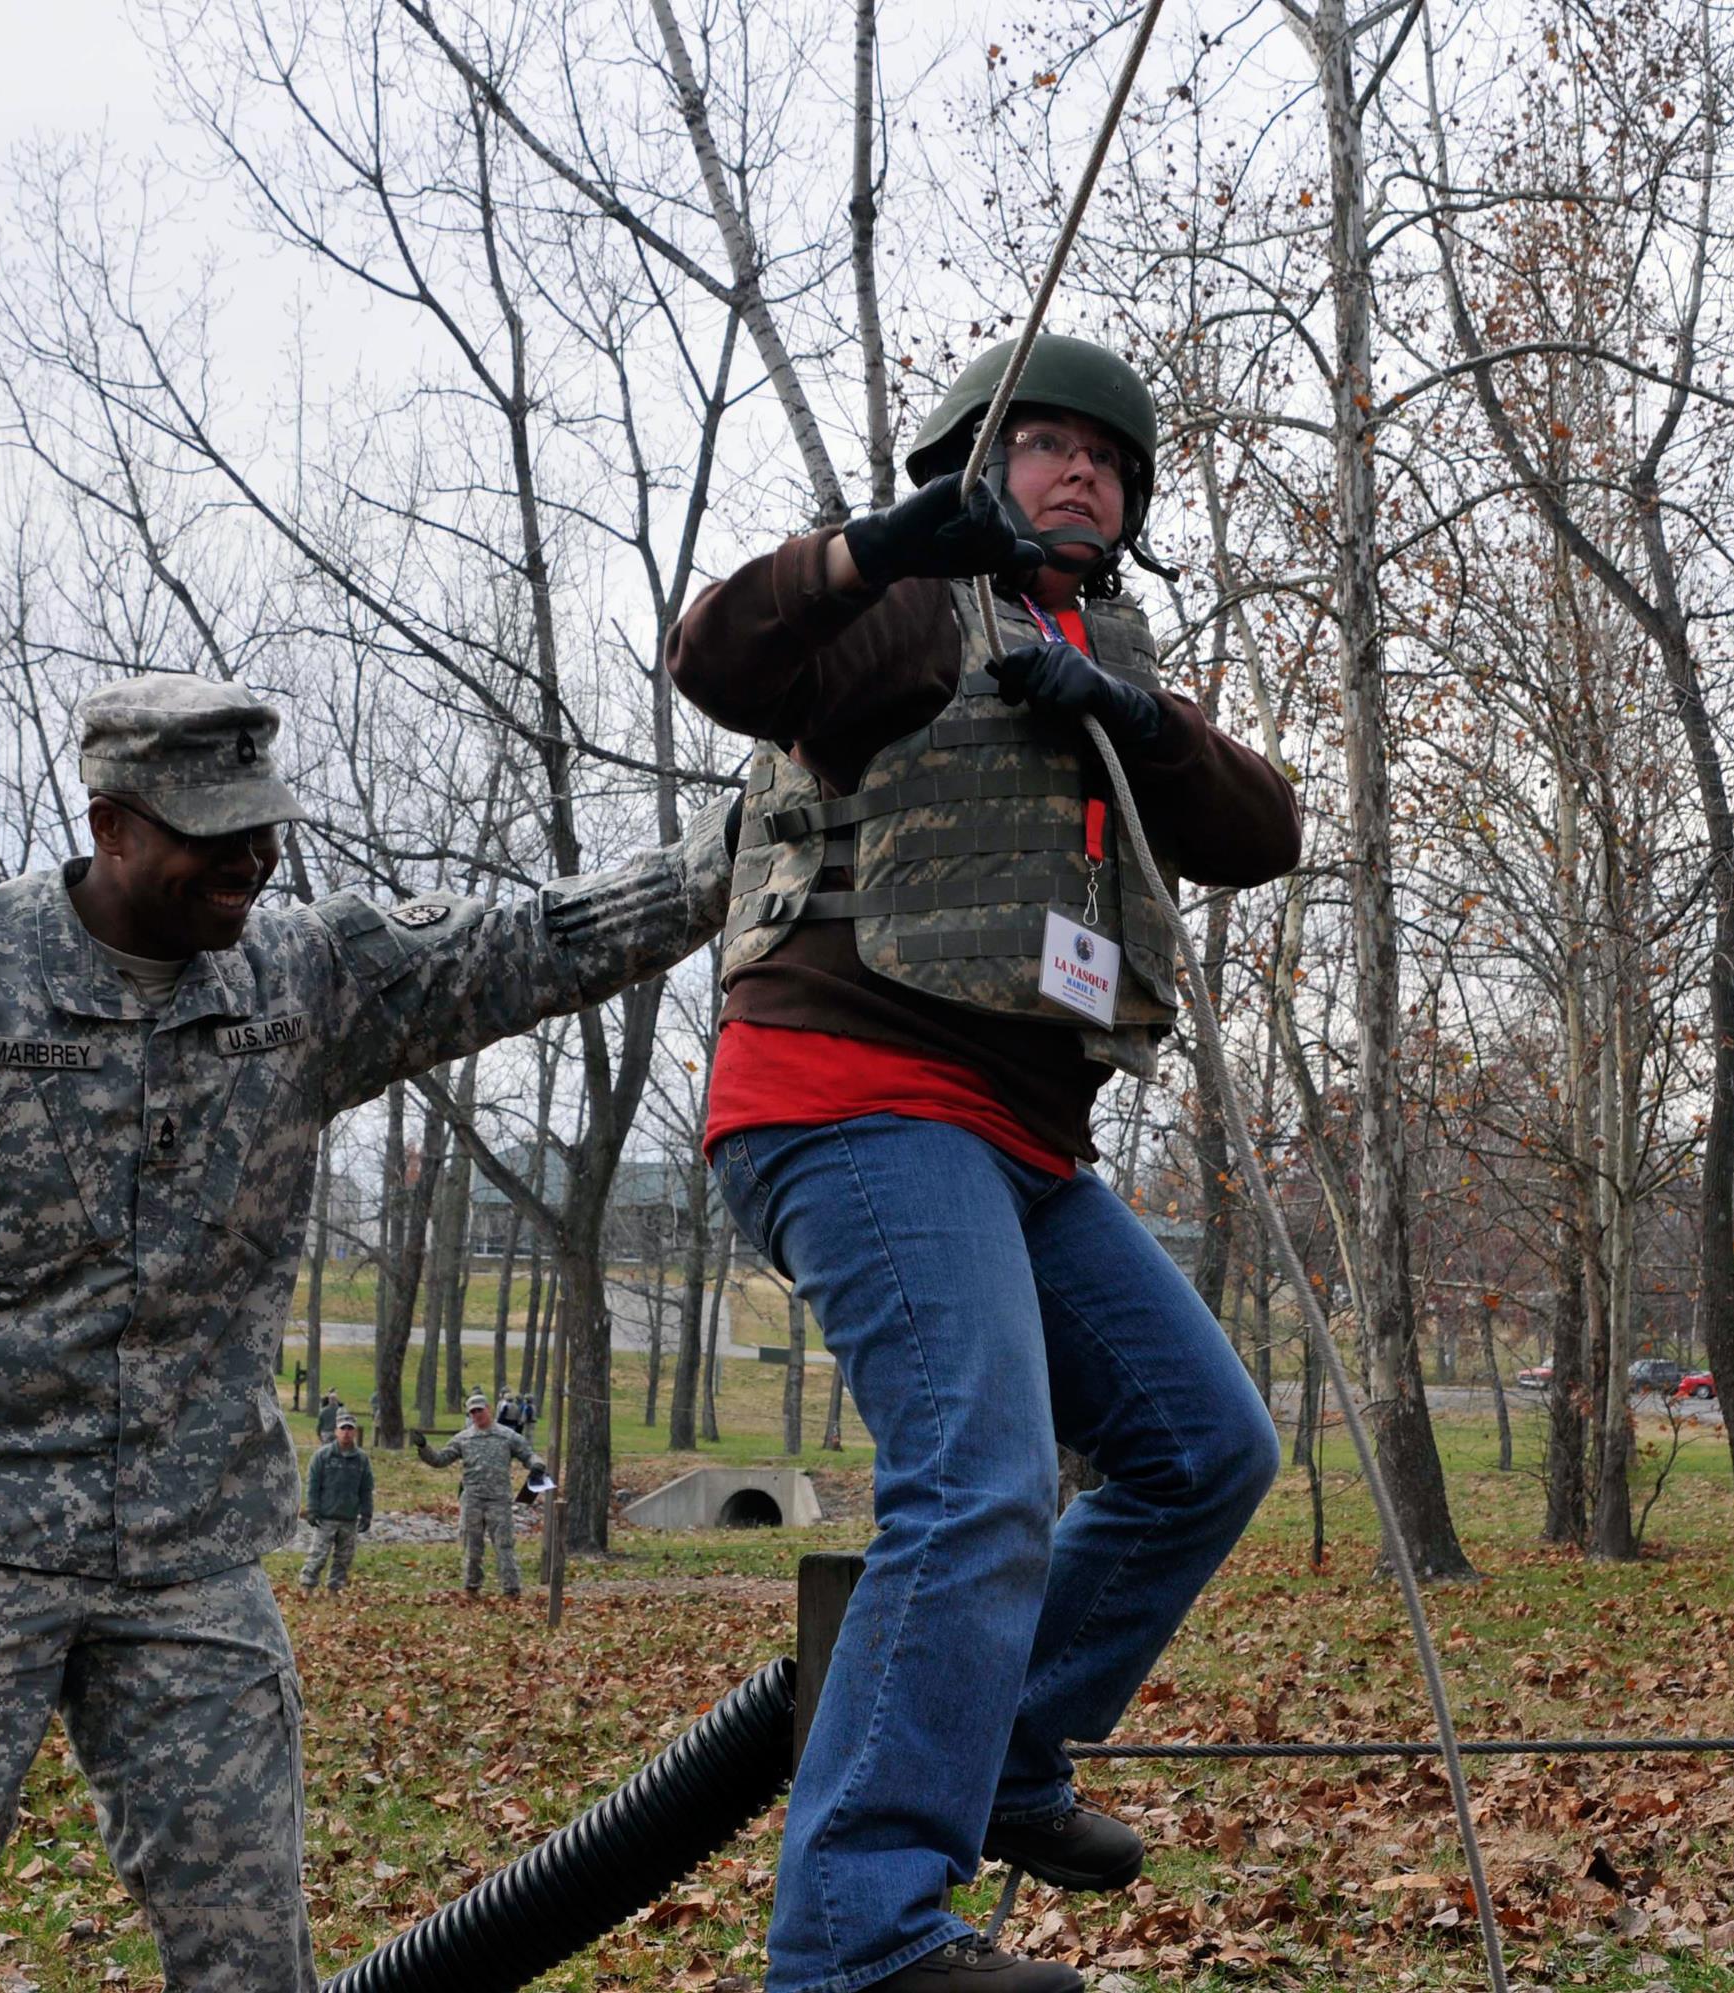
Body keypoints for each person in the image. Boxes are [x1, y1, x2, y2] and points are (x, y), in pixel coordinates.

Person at [0, 677, 734, 1992]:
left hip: (190, 1556)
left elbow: (536, 943)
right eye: (214, 829)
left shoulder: (303, 978)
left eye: (264, 822)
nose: (253, 857)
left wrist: (740, 852)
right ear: (114, 826)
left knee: (253, 1951)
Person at [667, 333, 1301, 1993]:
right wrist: (880, 545)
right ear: (970, 463)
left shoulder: (1108, 653)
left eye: (1108, 454)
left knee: (1203, 1446)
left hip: (1022, 1138)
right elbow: (719, 653)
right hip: (850, 1092)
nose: (1079, 470)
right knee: (980, 1473)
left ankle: (1003, 1743)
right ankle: (857, 1935)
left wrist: (1136, 718)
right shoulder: (899, 605)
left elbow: (1263, 832)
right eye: (1041, 443)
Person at [413, 1390, 535, 1599]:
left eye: (480, 1410)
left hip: (499, 1499)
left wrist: (537, 1464)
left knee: (504, 1546)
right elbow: (440, 1460)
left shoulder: (507, 1436)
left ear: (489, 1409)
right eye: (473, 1412)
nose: (477, 1415)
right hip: (473, 1499)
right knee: (471, 1546)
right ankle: (471, 1587)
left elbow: (527, 1454)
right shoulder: (463, 1439)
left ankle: (511, 1590)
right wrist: (424, 1447)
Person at [301, 1415, 372, 1591]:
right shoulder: (322, 1456)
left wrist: (367, 1513)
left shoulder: (362, 1459)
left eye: (350, 1429)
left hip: (349, 1518)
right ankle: (307, 1587)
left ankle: (335, 1589)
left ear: (355, 1432)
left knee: (344, 1558)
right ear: (336, 1432)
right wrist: (312, 1509)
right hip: (326, 1517)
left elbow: (366, 1488)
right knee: (318, 1556)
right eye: (343, 1429)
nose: (346, 1433)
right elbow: (313, 1485)